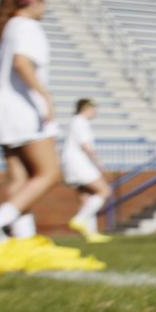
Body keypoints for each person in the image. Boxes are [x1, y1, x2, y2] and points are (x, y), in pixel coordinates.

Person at [0, 0, 60, 241]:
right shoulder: (28, 27)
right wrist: (45, 95)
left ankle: (22, 239)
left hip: (1, 108)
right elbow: (22, 62)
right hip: (23, 108)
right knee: (48, 173)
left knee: (19, 176)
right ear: (33, 2)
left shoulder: (7, 28)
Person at [62, 98, 111, 243]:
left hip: (71, 162)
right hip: (78, 162)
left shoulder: (76, 121)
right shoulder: (80, 121)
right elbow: (85, 145)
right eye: (93, 108)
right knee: (104, 191)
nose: (95, 112)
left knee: (87, 197)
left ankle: (91, 234)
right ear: (86, 108)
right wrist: (98, 163)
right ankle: (79, 219)